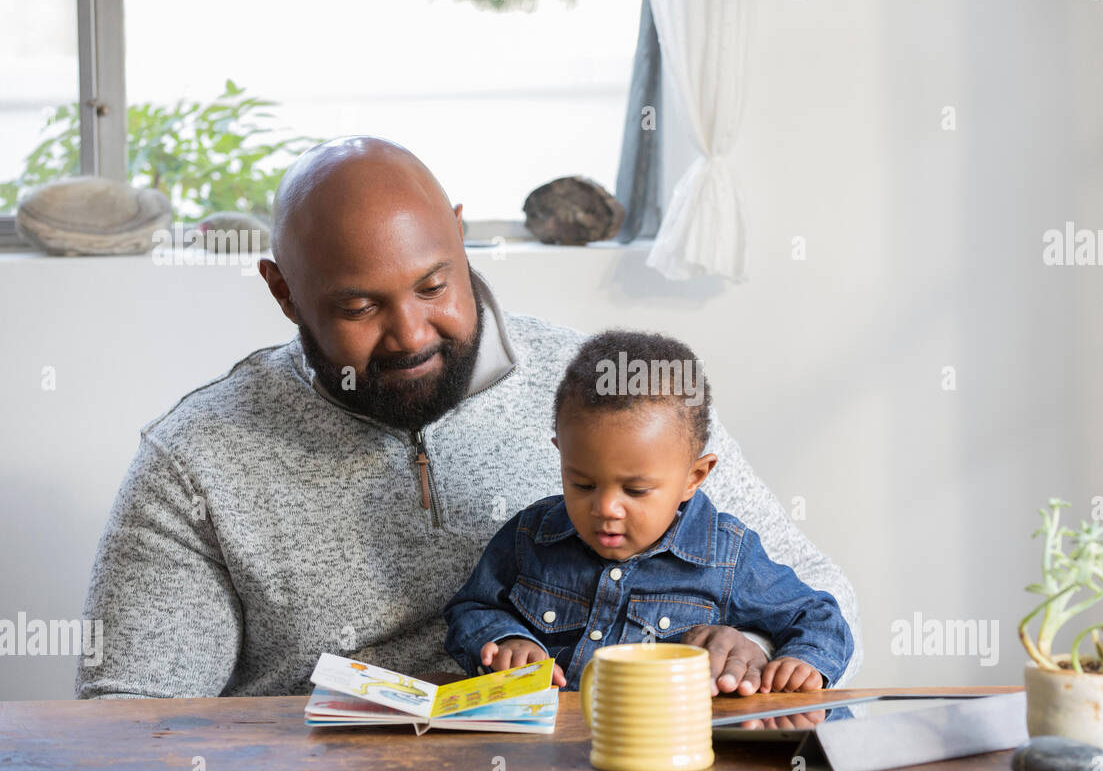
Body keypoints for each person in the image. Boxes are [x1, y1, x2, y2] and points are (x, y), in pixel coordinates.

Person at [75, 135, 862, 699]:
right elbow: (132, 724)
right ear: (283, 292)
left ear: (457, 230)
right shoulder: (198, 458)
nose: (413, 335)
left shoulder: (616, 392)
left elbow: (821, 595)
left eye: (432, 285)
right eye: (357, 306)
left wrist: (747, 649)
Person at [443, 330, 854, 692]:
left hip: (668, 753)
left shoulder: (727, 556)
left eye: (636, 490)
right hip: (554, 757)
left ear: (694, 477)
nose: (605, 508)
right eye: (582, 484)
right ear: (561, 456)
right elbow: (474, 607)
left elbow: (817, 616)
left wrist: (802, 663)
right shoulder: (532, 535)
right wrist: (508, 640)